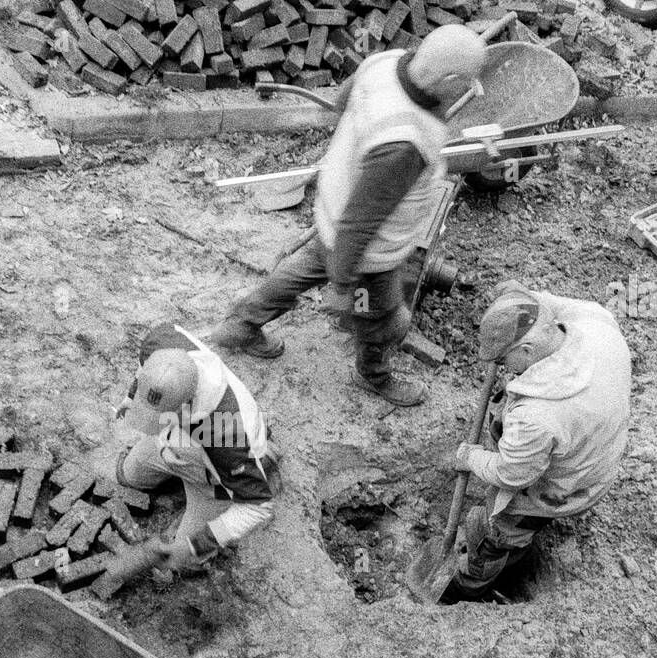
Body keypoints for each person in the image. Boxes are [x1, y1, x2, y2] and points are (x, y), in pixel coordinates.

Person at [208, 24, 487, 407]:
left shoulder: (383, 62)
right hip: (368, 258)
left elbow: (341, 101)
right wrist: (344, 284)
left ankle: (239, 326)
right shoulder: (405, 144)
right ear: (450, 78)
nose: (473, 91)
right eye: (469, 83)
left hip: (330, 215)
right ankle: (372, 374)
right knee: (386, 320)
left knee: (299, 272)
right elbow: (363, 221)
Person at [441, 283, 632, 602]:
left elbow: (511, 475)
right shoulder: (596, 321)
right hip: (595, 454)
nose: (500, 367)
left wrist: (470, 457)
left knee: (500, 529)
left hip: (560, 487)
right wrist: (518, 299)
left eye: (503, 359)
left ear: (527, 350)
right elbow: (544, 304)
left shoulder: (538, 415)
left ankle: (470, 586)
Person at [113, 322, 280, 572]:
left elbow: (258, 507)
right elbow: (145, 374)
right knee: (128, 477)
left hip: (215, 471)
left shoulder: (226, 436)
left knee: (180, 565)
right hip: (185, 439)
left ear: (186, 406)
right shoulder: (161, 344)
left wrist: (198, 544)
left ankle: (263, 459)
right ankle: (176, 461)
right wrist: (131, 399)